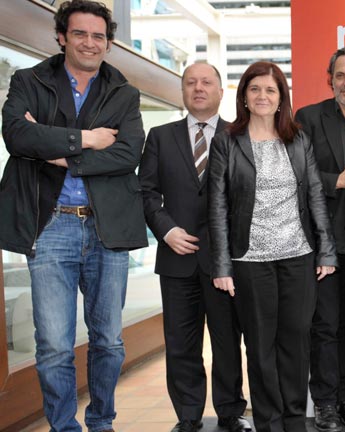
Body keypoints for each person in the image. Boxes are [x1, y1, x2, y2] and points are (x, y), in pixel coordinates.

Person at [0, 1, 146, 430]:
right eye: (80, 33)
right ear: (62, 36)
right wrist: (88, 139)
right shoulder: (29, 81)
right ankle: (65, 427)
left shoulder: (124, 92)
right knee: (54, 347)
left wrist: (59, 154)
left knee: (109, 341)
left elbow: (126, 153)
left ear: (108, 42)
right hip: (51, 225)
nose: (89, 42)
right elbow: (17, 134)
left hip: (107, 227)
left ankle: (101, 422)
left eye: (98, 36)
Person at [207, 61, 337, 432]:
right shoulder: (228, 141)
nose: (263, 96)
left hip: (298, 256)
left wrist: (326, 249)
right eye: (255, 89)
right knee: (260, 347)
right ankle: (269, 422)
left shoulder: (298, 139)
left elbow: (315, 195)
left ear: (282, 98)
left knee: (296, 343)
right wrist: (222, 265)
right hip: (249, 260)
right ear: (244, 96)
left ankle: (295, 420)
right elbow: (217, 204)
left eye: (271, 90)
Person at [139, 62, 250, 432]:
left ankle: (231, 411)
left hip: (225, 261)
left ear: (222, 90)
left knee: (227, 341)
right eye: (190, 83)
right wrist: (165, 230)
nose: (198, 88)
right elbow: (147, 192)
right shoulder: (159, 136)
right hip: (176, 257)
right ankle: (187, 416)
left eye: (206, 82)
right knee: (180, 342)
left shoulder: (241, 135)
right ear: (182, 91)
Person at [294, 46, 345, 432]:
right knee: (324, 326)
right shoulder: (308, 118)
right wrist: (337, 181)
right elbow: (295, 176)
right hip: (323, 243)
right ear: (330, 78)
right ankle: (325, 402)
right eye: (341, 75)